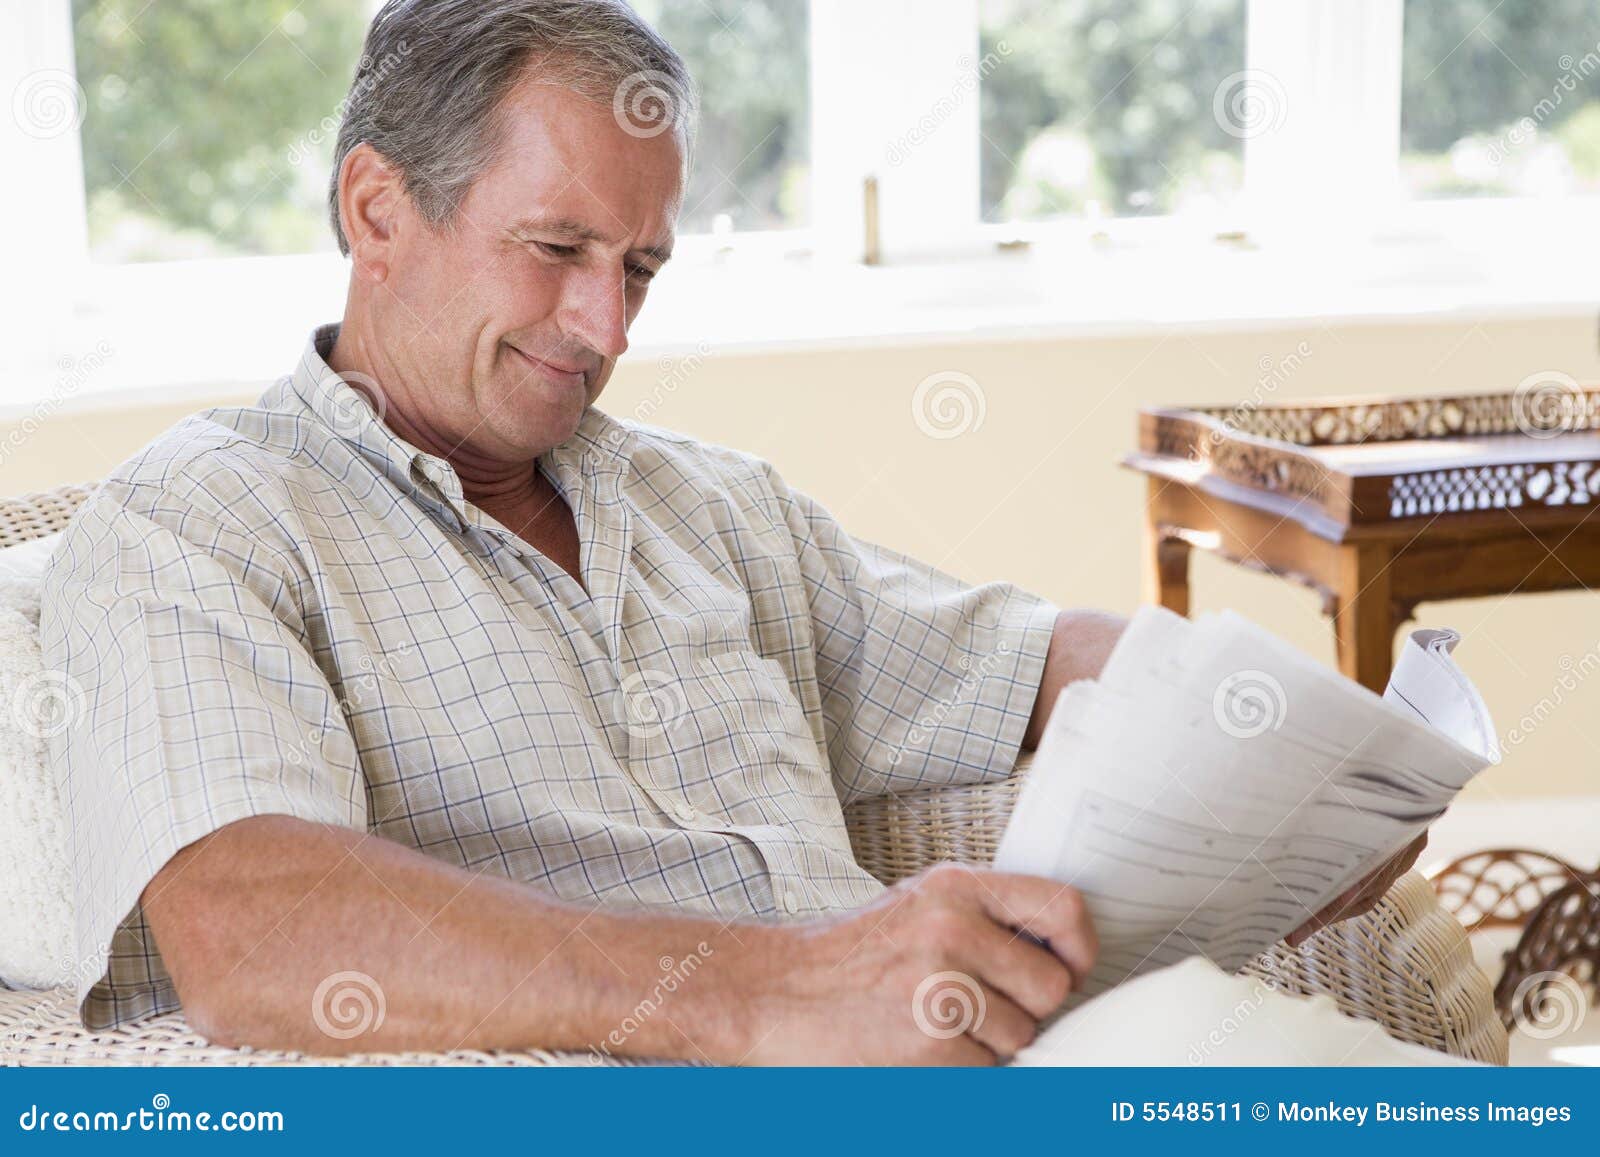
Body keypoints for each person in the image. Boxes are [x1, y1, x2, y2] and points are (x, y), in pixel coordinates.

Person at [39, 0, 1411, 1065]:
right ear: (378, 211)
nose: (609, 328)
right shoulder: (204, 516)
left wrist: (1298, 759)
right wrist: (774, 993)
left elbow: (1045, 659)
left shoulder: (708, 503)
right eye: (559, 250)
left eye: (640, 268)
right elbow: (251, 925)